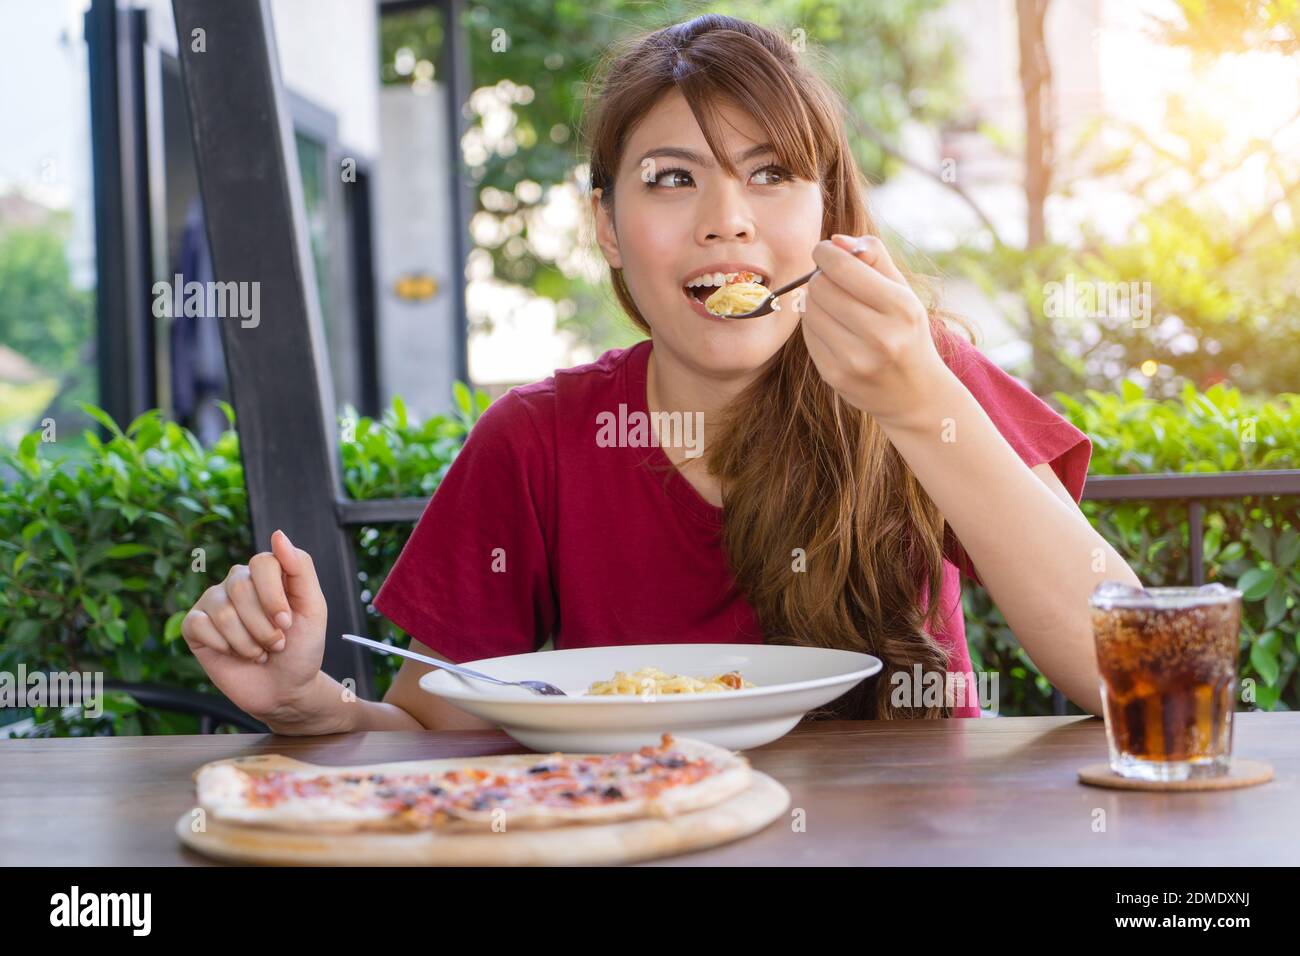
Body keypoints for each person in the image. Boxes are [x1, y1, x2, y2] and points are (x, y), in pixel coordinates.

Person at [180, 14, 1142, 734]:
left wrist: (920, 400)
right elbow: (436, 736)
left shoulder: (918, 371)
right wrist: (311, 705)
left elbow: (1127, 670)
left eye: (771, 173)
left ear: (827, 215)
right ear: (605, 225)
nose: (727, 218)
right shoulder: (538, 439)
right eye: (674, 178)